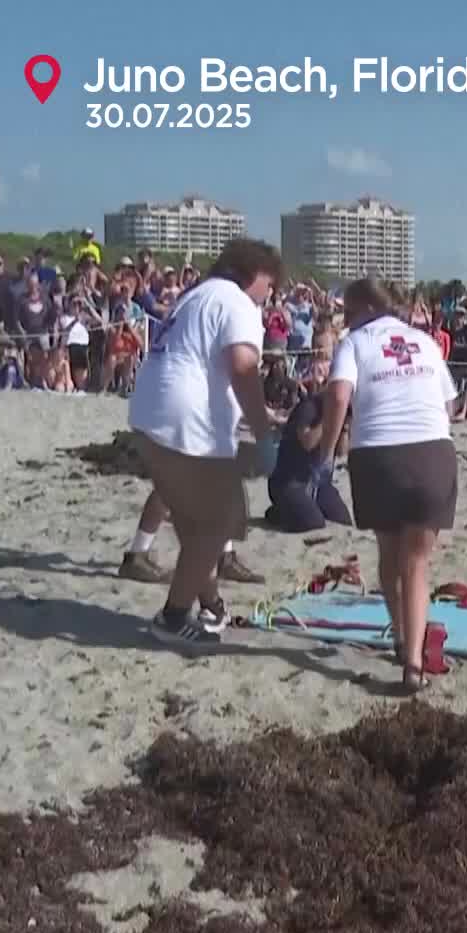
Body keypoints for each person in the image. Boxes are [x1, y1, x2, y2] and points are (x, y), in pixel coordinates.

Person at [124, 238, 284, 644]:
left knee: (196, 525)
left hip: (149, 411)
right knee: (217, 524)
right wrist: (263, 436)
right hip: (185, 419)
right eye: (269, 284)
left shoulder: (197, 296)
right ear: (253, 274)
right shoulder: (237, 303)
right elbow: (243, 368)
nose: (271, 294)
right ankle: (174, 618)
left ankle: (210, 602)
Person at [313, 278, 459, 694]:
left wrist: (326, 451)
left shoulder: (354, 342)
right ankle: (413, 664)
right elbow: (450, 403)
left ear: (357, 310)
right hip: (431, 451)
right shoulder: (425, 341)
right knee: (417, 562)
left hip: (377, 454)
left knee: (390, 551)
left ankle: (401, 639)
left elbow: (339, 396)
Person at [265, 353, 352, 533]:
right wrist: (329, 417)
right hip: (289, 482)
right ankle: (278, 513)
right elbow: (307, 442)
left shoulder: (342, 412)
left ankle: (298, 507)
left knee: (343, 520)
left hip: (320, 483)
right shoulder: (309, 407)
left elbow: (342, 452)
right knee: (312, 523)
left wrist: (344, 426)